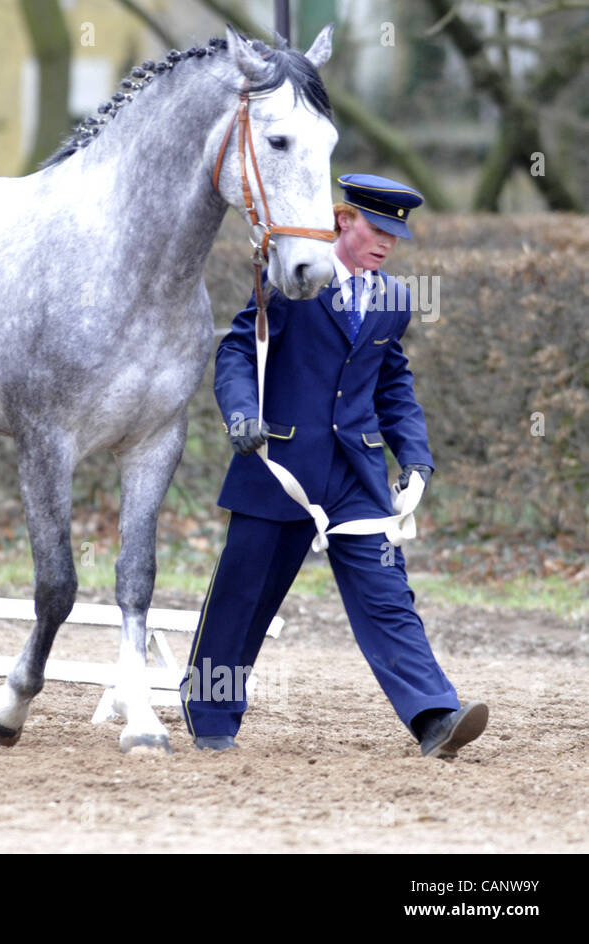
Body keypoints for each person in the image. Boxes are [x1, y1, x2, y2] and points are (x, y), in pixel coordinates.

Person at [179, 173, 487, 759]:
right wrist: (240, 412)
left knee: (386, 591)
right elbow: (240, 349)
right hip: (280, 465)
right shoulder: (292, 282)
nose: (386, 243)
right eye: (377, 229)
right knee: (245, 595)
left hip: (354, 474)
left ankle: (434, 715)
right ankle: (211, 713)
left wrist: (416, 457)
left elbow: (393, 384)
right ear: (344, 221)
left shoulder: (394, 299)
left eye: (396, 234)